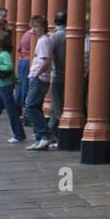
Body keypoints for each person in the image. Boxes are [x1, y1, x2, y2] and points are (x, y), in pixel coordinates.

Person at [24, 15, 53, 150]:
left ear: (42, 27)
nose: (33, 29)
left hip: (39, 79)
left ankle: (45, 135)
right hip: (39, 78)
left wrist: (37, 74)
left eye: (36, 26)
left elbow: (46, 61)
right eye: (32, 26)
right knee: (36, 108)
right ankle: (40, 138)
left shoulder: (43, 41)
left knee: (30, 107)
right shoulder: (43, 40)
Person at [47, 11, 67, 146]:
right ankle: (48, 134)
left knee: (57, 107)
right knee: (55, 108)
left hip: (57, 75)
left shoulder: (54, 37)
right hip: (70, 77)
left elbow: (48, 57)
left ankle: (55, 136)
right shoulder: (70, 35)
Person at [15, 25, 33, 110]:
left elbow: (19, 49)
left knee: (20, 84)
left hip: (21, 60)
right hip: (28, 60)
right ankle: (24, 106)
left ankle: (17, 105)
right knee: (25, 85)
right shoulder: (32, 35)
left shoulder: (25, 34)